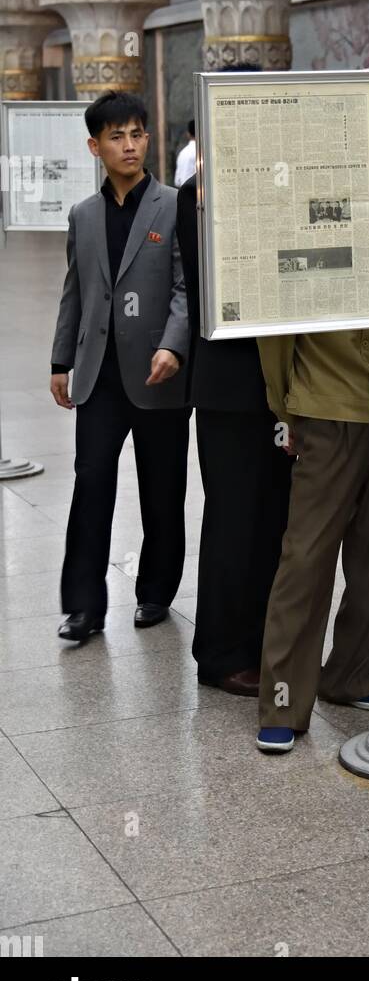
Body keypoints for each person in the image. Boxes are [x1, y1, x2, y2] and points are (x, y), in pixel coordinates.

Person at [254, 234, 369, 753]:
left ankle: (349, 676)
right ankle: (282, 702)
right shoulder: (299, 246)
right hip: (323, 413)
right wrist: (286, 411)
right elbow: (276, 337)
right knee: (306, 561)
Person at [50, 90, 190, 642]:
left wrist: (174, 346)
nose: (129, 145)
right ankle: (83, 606)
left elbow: (185, 287)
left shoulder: (175, 204)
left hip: (161, 374)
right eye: (117, 136)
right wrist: (61, 360)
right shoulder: (83, 215)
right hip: (100, 377)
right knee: (91, 488)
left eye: (137, 134)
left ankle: (155, 591)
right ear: (95, 146)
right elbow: (74, 294)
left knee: (163, 490)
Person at [176, 62, 292, 696]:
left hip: (280, 387)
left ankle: (262, 641)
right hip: (230, 388)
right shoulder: (200, 199)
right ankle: (221, 654)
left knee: (274, 518)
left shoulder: (262, 187)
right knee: (234, 520)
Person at [174, 120, 195, 186]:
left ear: (188, 134)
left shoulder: (182, 153)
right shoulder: (204, 152)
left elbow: (177, 181)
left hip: (183, 192)